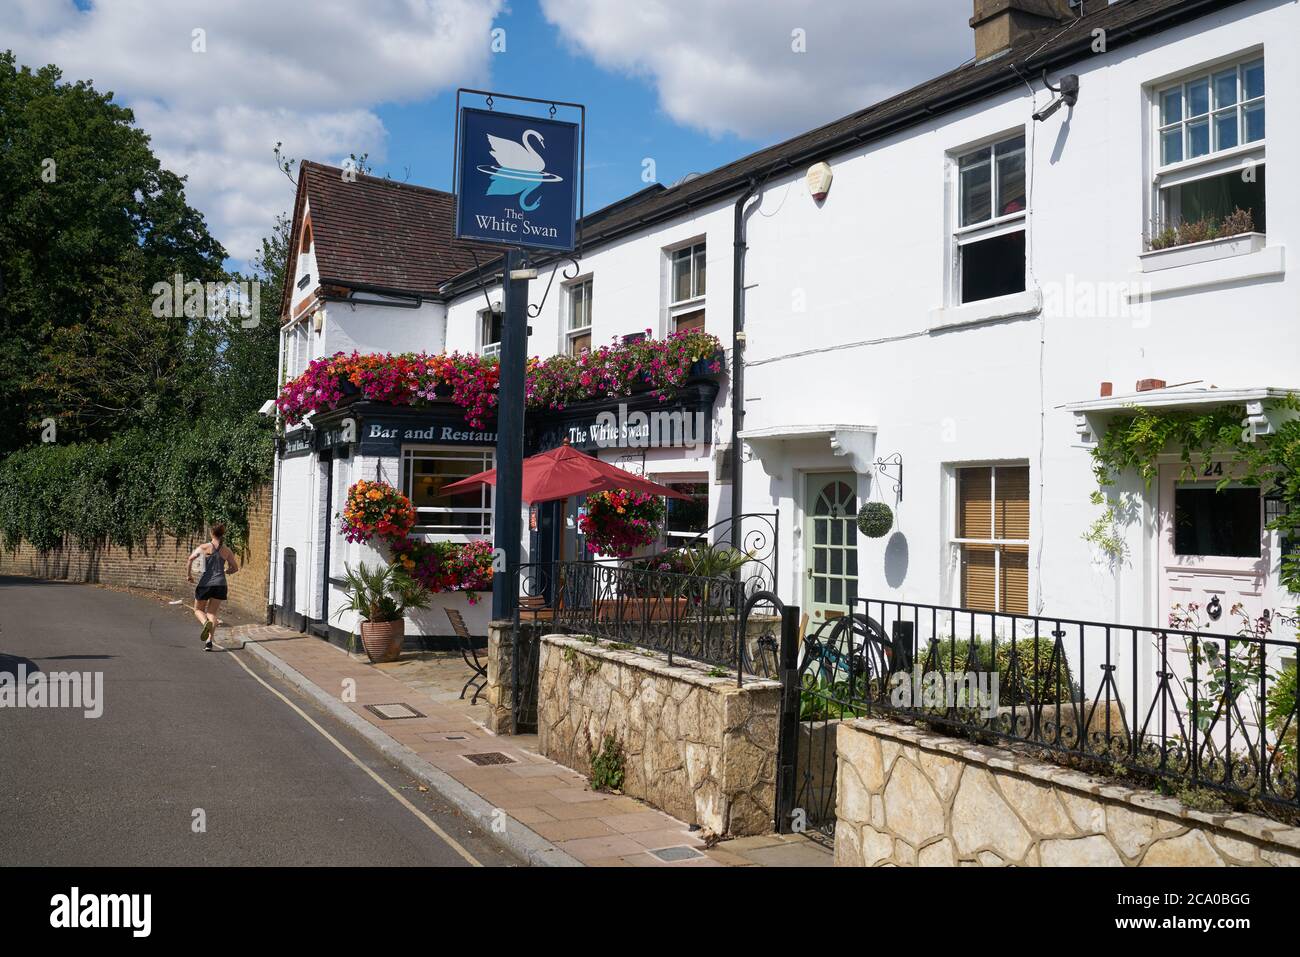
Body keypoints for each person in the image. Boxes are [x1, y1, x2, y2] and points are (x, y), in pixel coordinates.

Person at [186, 524, 239, 651]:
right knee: (212, 613)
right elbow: (235, 568)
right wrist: (226, 571)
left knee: (198, 610)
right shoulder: (226, 550)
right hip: (221, 584)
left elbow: (190, 559)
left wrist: (189, 575)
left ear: (211, 533)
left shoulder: (204, 547)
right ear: (222, 534)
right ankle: (209, 641)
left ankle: (205, 624)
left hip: (205, 583)